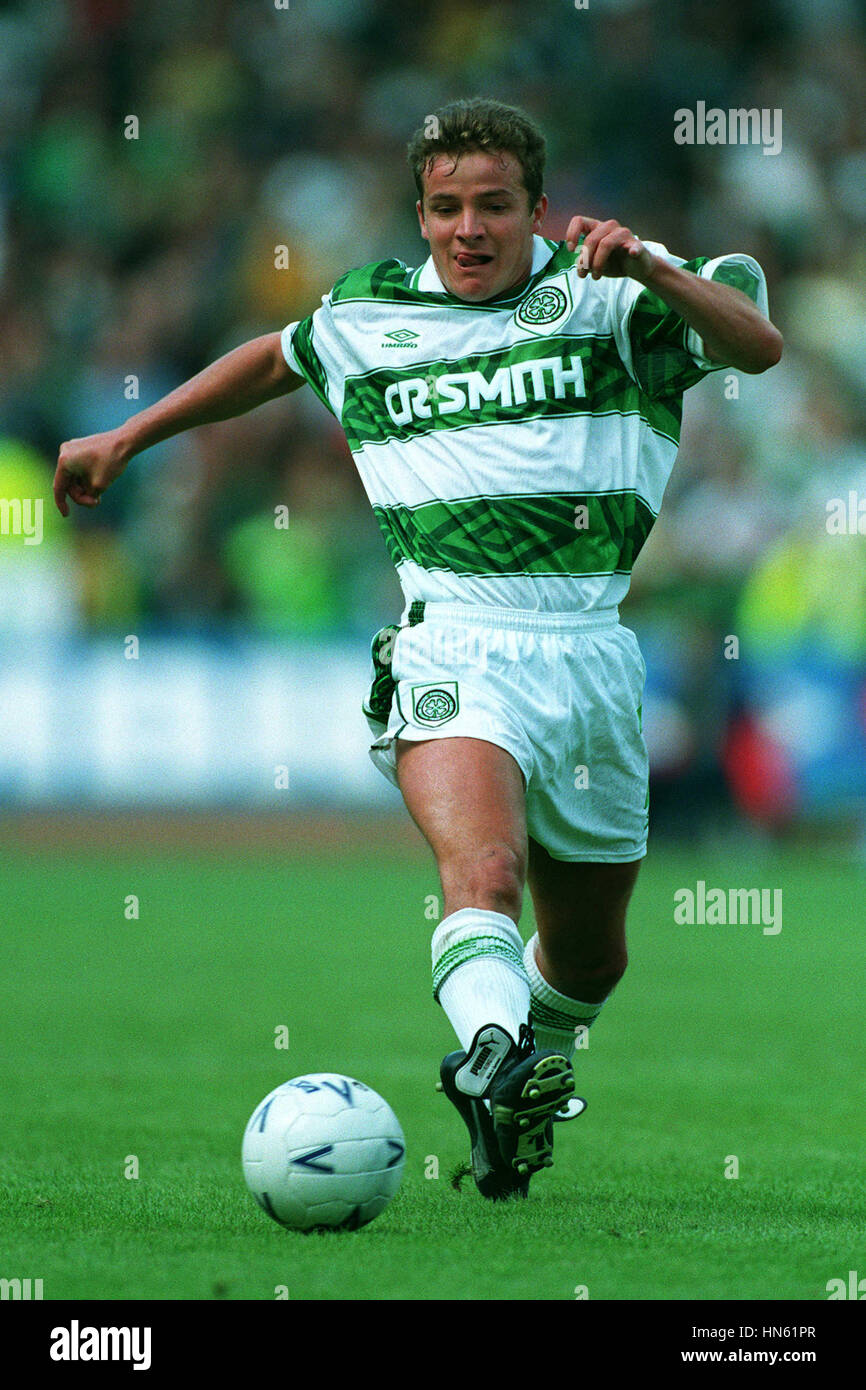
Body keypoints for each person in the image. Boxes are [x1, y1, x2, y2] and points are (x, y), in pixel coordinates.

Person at [53, 97, 783, 1201]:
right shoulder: (371, 312)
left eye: (493, 206)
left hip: (589, 653)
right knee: (481, 873)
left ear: (537, 209)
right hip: (453, 641)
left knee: (590, 959)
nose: (468, 229)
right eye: (445, 209)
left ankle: (521, 1071)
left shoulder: (606, 293)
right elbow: (273, 358)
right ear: (421, 215)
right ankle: (490, 1058)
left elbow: (757, 345)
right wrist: (130, 435)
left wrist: (652, 273)